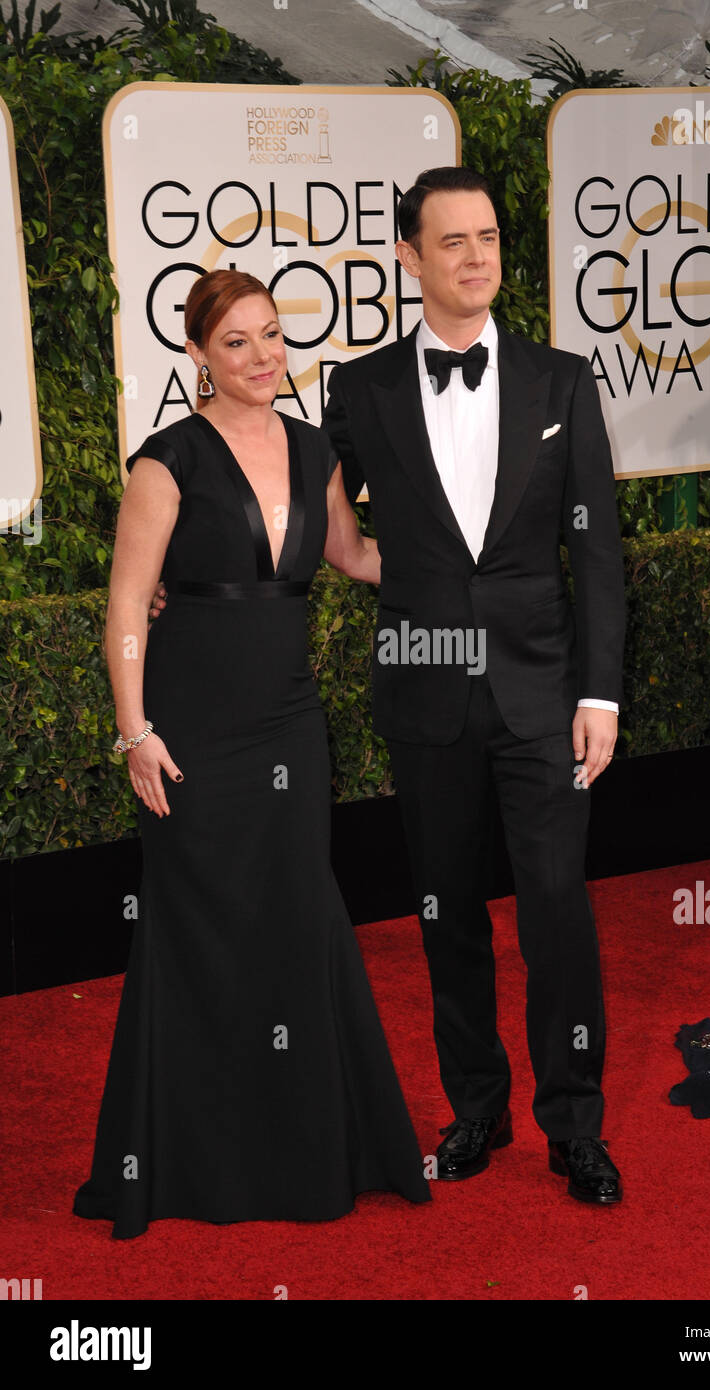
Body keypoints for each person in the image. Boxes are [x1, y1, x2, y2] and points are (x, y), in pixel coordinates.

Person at [73, 269, 430, 1239]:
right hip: (190, 728)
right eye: (239, 342)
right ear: (198, 354)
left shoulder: (314, 448)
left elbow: (354, 556)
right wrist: (135, 731)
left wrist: (469, 570)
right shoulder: (166, 464)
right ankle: (191, 1160)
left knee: (295, 915)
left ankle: (307, 1150)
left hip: (287, 722)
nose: (265, 355)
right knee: (198, 933)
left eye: (273, 334)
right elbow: (124, 610)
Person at [322, 168, 627, 1203]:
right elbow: (312, 515)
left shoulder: (562, 380)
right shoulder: (355, 390)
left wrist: (602, 694)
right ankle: (477, 1109)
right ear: (408, 256)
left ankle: (574, 1123)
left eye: (488, 236)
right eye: (451, 241)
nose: (476, 257)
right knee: (447, 914)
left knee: (556, 910)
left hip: (545, 696)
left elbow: (599, 555)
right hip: (425, 689)